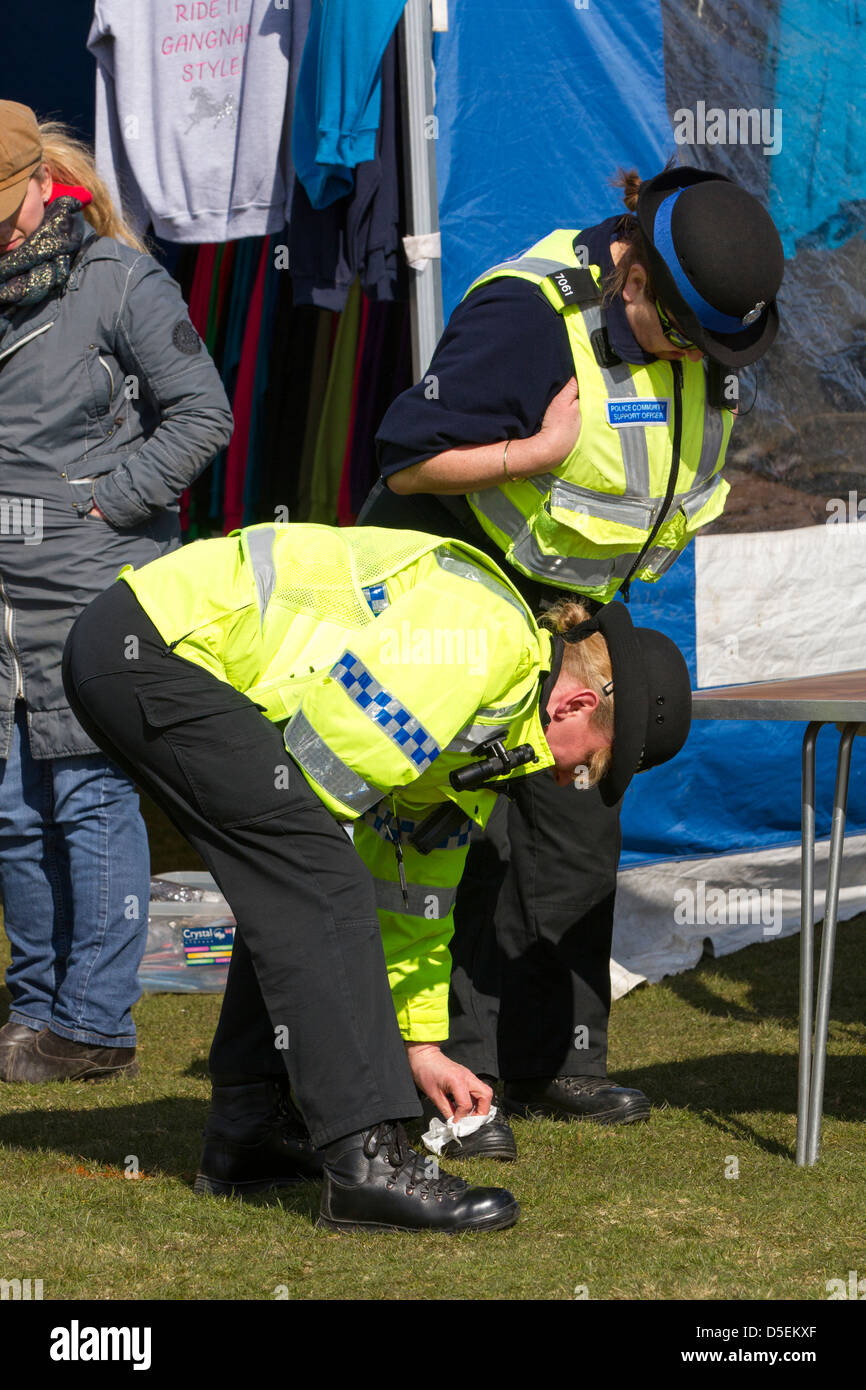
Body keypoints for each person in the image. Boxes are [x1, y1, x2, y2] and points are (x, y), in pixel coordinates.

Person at [61, 519, 691, 1231]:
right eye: (591, 762)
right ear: (576, 704)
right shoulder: (482, 638)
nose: (571, 775)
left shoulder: (493, 735)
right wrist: (378, 1064)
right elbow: (324, 762)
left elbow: (412, 896)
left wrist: (421, 1044)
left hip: (148, 647)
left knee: (309, 880)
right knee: (319, 877)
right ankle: (372, 1159)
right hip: (153, 645)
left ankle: (251, 1131)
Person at [359, 163, 785, 1156]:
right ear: (632, 276)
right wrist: (533, 454)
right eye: (680, 333)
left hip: (573, 606)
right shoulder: (527, 315)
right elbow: (404, 458)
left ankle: (563, 1057)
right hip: (462, 593)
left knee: (579, 820)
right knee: (467, 833)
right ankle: (462, 1084)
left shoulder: (702, 318)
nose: (696, 356)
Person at [0, 101, 233, 1084]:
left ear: (34, 189)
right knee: (13, 805)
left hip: (93, 585)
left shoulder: (118, 280)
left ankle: (94, 1025)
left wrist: (108, 501)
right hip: (5, 596)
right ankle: (37, 1007)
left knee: (87, 796)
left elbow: (202, 414)